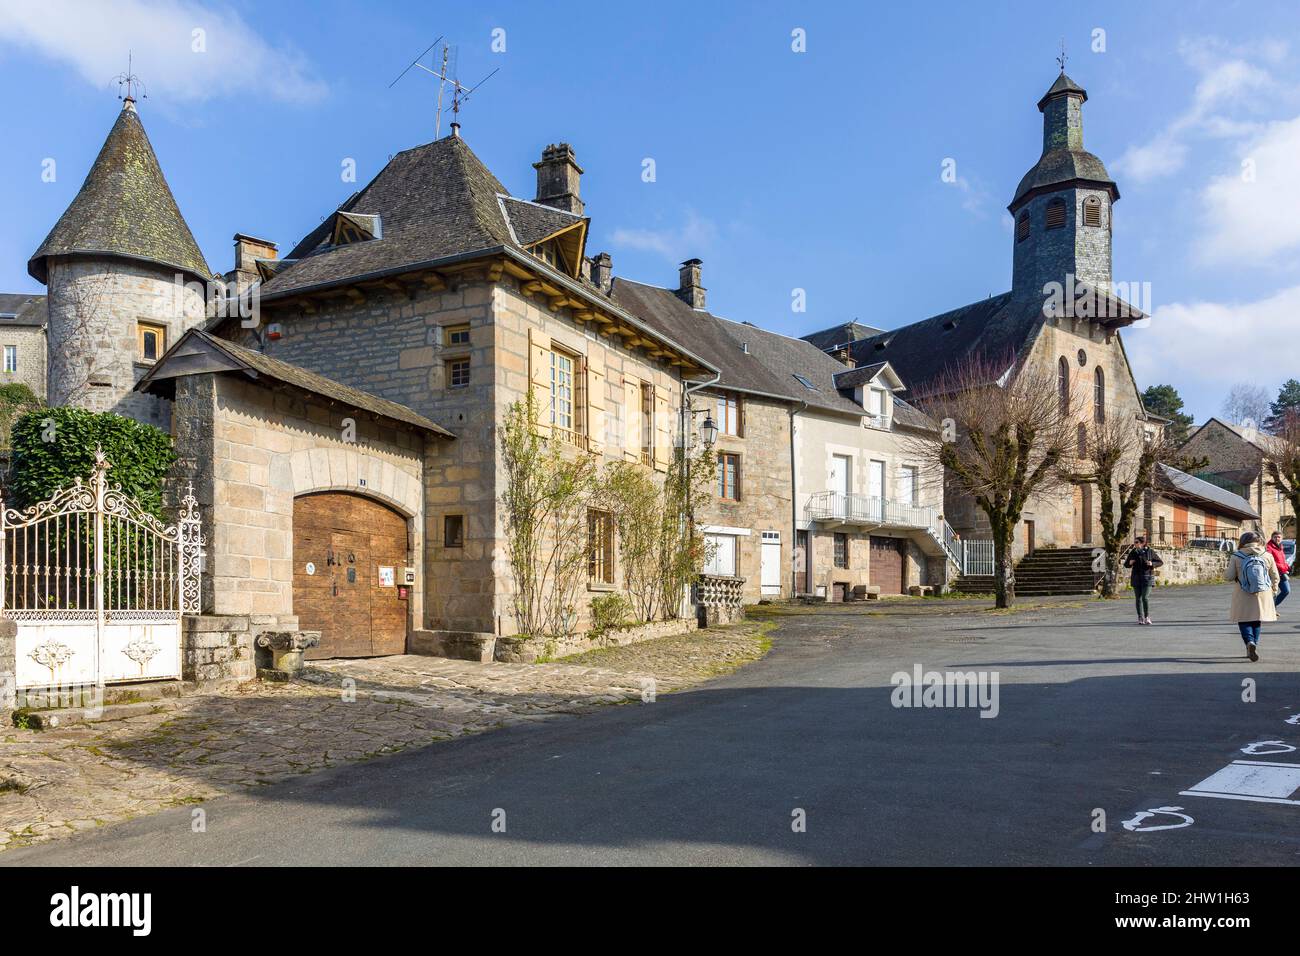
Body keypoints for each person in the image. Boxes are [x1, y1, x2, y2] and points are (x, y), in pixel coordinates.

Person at [1227, 531, 1280, 662]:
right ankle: (1253, 644)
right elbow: (1275, 576)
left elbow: (1229, 577)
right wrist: (1273, 591)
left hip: (1243, 593)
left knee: (1243, 619)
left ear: (1243, 541)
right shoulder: (1267, 555)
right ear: (1259, 541)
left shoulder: (1236, 555)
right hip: (1263, 593)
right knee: (1257, 620)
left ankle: (1250, 642)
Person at [1124, 535, 1163, 624]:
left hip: (1147, 577)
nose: (1135, 544)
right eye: (1134, 542)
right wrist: (1129, 563)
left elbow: (1160, 562)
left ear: (1142, 543)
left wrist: (1152, 563)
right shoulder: (1133, 552)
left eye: (1136, 542)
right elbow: (1126, 564)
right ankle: (1140, 618)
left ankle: (1147, 617)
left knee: (1145, 598)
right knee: (1138, 598)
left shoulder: (1149, 551)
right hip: (1136, 578)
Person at [1265, 530, 1291, 609]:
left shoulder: (1280, 547)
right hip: (1272, 573)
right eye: (1275, 537)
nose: (1277, 538)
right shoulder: (1268, 547)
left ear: (1282, 538)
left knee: (1286, 591)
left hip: (1281, 573)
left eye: (1279, 537)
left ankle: (1272, 607)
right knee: (1272, 592)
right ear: (1272, 538)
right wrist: (1283, 567)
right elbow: (1270, 561)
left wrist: (1287, 566)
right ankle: (1270, 609)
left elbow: (1282, 560)